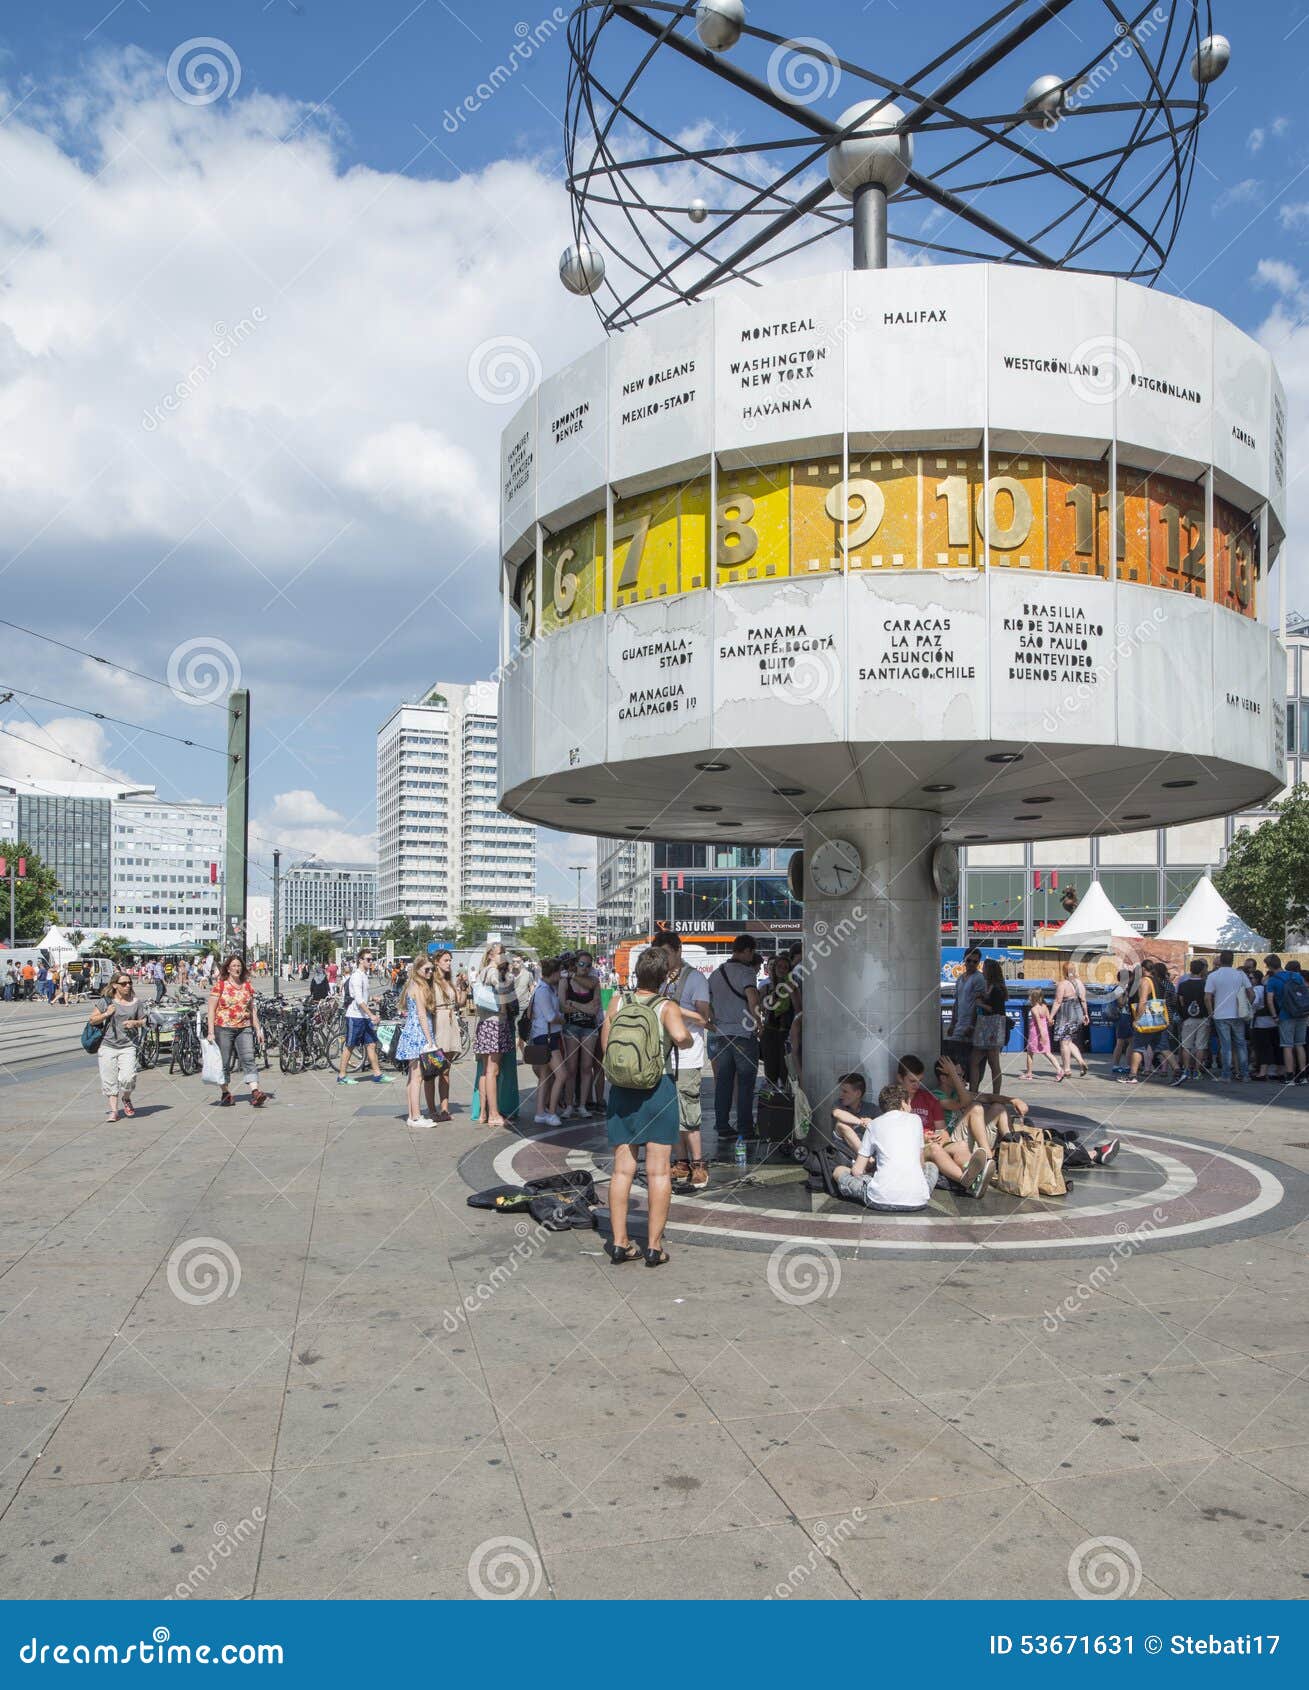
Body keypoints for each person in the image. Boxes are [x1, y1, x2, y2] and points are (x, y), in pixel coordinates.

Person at [601, 945, 693, 1269]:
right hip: (657, 1089)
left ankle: (619, 1243)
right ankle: (654, 1247)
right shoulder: (666, 1006)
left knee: (622, 1170)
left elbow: (605, 1045)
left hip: (622, 1091)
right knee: (658, 1171)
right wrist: (683, 1037)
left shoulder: (617, 1001)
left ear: (637, 973)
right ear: (666, 976)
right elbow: (682, 1038)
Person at [652, 931, 713, 1191]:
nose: (663, 959)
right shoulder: (661, 978)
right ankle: (681, 1161)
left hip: (687, 1056)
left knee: (689, 1112)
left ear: (678, 950)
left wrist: (673, 1008)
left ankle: (698, 1164)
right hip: (665, 1055)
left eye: (666, 953)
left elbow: (704, 1018)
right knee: (670, 1113)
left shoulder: (696, 978)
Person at [833, 1082, 943, 1211]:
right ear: (903, 1103)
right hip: (918, 1200)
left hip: (878, 1199)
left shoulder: (874, 1125)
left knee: (839, 1170)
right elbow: (921, 1165)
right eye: (909, 1103)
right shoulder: (916, 1120)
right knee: (932, 1166)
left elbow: (857, 1171)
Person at [707, 934, 761, 1141]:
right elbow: (752, 997)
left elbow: (707, 1002)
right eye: (752, 952)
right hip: (742, 1034)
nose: (752, 956)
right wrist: (758, 1021)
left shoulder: (716, 974)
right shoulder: (746, 972)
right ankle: (745, 1129)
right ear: (747, 951)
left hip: (721, 1035)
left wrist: (715, 1020)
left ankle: (722, 1126)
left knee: (724, 1082)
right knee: (746, 1083)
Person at [206, 954, 268, 1107]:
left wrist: (258, 1029)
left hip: (244, 1027)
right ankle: (225, 1093)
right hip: (223, 1028)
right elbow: (211, 1010)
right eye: (233, 966)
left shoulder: (247, 985)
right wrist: (211, 1031)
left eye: (239, 966)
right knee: (224, 1062)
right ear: (228, 968)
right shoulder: (220, 985)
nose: (237, 968)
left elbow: (252, 1009)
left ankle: (255, 1092)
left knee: (248, 1058)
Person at [90, 971, 146, 1121]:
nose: (127, 985)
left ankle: (126, 1097)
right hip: (107, 1045)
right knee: (109, 1079)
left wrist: (135, 1023)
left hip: (128, 1045)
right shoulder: (106, 1002)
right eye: (123, 983)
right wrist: (106, 1014)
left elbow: (144, 1021)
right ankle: (113, 1111)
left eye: (129, 983)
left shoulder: (136, 1002)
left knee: (128, 1077)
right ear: (115, 985)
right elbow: (92, 1020)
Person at [472, 942, 515, 1128]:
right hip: (495, 1024)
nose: (503, 957)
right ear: (490, 955)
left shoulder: (483, 971)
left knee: (484, 1071)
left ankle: (483, 1112)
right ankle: (494, 1114)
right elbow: (500, 985)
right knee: (493, 1071)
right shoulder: (491, 971)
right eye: (499, 954)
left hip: (484, 1024)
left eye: (504, 954)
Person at [558, 950, 602, 1120]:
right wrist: (585, 1007)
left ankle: (582, 1105)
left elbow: (595, 1010)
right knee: (571, 1068)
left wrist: (574, 1003)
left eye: (588, 965)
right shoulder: (565, 981)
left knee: (586, 1067)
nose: (584, 968)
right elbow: (563, 1007)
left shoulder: (595, 982)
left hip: (589, 1028)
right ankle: (570, 1104)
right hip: (571, 1027)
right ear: (576, 964)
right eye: (581, 964)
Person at [396, 956, 439, 1128]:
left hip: (412, 1032)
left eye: (431, 970)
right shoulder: (419, 987)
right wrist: (430, 1040)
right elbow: (422, 1015)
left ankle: (412, 1115)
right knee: (417, 1077)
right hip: (419, 1034)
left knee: (413, 1077)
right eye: (426, 969)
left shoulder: (411, 985)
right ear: (418, 969)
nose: (429, 973)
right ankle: (415, 1117)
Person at [336, 949, 389, 1086]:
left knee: (371, 1044)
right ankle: (342, 1076)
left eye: (371, 959)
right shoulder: (357, 976)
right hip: (355, 1016)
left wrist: (372, 998)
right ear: (360, 960)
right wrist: (371, 1014)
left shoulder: (364, 976)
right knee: (350, 1045)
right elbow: (359, 1000)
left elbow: (362, 996)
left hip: (363, 1016)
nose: (371, 962)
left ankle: (377, 1074)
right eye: (368, 959)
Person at [1120, 959, 1177, 1085]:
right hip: (1158, 1019)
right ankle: (1178, 1071)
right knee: (1163, 1048)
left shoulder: (1145, 981)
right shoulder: (1158, 981)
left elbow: (1143, 1001)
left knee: (1137, 1047)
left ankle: (1132, 1075)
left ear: (1144, 969)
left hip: (1147, 1021)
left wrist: (1137, 1019)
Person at [526, 957, 567, 1126]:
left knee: (544, 1076)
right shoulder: (543, 991)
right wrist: (563, 1019)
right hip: (547, 1036)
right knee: (561, 1074)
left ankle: (540, 1112)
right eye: (560, 972)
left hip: (545, 1035)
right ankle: (550, 1112)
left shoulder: (545, 989)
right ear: (555, 973)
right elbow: (551, 1016)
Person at [429, 949, 465, 1121]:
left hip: (450, 1025)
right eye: (446, 960)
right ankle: (431, 1110)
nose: (449, 963)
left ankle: (444, 1108)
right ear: (437, 962)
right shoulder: (430, 981)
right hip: (438, 1025)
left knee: (445, 1070)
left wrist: (463, 987)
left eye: (450, 960)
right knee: (432, 1070)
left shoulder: (449, 982)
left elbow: (460, 1002)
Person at [1205, 948, 1251, 1083]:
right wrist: (1247, 1007)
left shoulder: (1213, 976)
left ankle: (1226, 1075)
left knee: (1226, 1046)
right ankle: (1245, 1074)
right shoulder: (1240, 974)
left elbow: (1207, 997)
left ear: (1220, 960)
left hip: (1220, 1014)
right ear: (1233, 960)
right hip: (1238, 1014)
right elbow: (1251, 993)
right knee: (1241, 1044)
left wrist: (1210, 1012)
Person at [1266, 955, 1309, 1085]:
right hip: (1301, 1014)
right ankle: (1303, 1076)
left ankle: (1290, 1076)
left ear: (1269, 966)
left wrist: (1275, 1016)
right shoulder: (1296, 976)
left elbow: (1269, 1000)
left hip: (1285, 1015)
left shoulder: (1272, 980)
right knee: (1300, 1044)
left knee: (1287, 1045)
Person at [760, 953, 800, 1087]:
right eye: (779, 966)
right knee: (770, 1071)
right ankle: (772, 1102)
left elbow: (798, 1010)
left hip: (786, 1033)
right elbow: (762, 1009)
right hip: (770, 1032)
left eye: (785, 967)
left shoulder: (792, 986)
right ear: (773, 968)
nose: (782, 969)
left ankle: (785, 1101)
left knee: (786, 1070)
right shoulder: (766, 987)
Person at [971, 958, 1010, 1094]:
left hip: (992, 1026)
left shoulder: (997, 989)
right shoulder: (990, 987)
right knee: (975, 1061)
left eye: (985, 968)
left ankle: (995, 1094)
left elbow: (995, 1009)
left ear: (990, 971)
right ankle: (974, 1091)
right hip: (985, 1026)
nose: (983, 970)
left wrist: (980, 1003)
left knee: (993, 1063)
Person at [1172, 958, 1212, 1084]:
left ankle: (1186, 1070)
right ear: (1202, 970)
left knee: (1186, 1046)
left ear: (1190, 969)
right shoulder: (1206, 984)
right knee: (1201, 1046)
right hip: (1203, 1017)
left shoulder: (1183, 985)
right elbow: (1208, 999)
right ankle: (1197, 1071)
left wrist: (1183, 1015)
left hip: (1188, 1018)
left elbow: (1181, 1002)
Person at [1050, 962, 1090, 1080]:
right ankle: (1081, 1061)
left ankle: (1067, 1069)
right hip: (1078, 1014)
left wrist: (1051, 1016)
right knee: (1068, 1040)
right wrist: (1086, 1014)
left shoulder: (1063, 984)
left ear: (1064, 971)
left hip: (1066, 1014)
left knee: (1063, 1042)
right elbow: (1083, 1000)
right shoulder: (1079, 983)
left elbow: (1058, 1001)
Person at [950, 949, 985, 1083]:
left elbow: (979, 1004)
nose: (971, 964)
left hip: (971, 1025)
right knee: (957, 1058)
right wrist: (953, 1023)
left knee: (970, 1060)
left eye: (975, 962)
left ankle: (969, 1088)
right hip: (959, 1024)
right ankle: (960, 1088)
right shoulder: (960, 979)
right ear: (964, 960)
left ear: (978, 963)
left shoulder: (979, 978)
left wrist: (972, 1024)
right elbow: (957, 1002)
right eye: (969, 960)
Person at [1022, 988, 1062, 1080]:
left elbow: (1039, 1023)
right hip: (1045, 1033)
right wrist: (1051, 1022)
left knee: (1030, 1053)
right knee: (1048, 1053)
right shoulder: (1045, 1007)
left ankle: (1029, 1073)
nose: (1029, 998)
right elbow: (1049, 1020)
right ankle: (1059, 1070)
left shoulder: (1034, 1009)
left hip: (1035, 1034)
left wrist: (1041, 1037)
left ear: (1034, 998)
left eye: (1030, 996)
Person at [1248, 968, 1279, 1081]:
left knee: (1262, 1048)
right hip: (1273, 1021)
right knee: (1273, 1046)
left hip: (1260, 1023)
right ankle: (1273, 1071)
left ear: (1256, 979)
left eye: (1251, 978)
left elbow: (1254, 1003)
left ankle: (1262, 1072)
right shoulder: (1269, 988)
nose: (1250, 980)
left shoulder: (1256, 989)